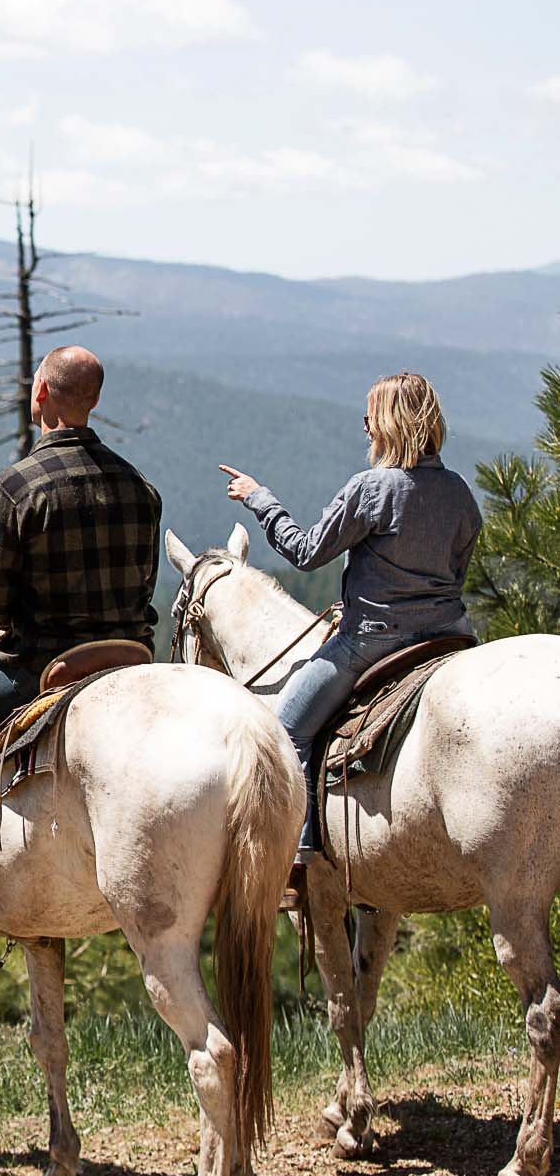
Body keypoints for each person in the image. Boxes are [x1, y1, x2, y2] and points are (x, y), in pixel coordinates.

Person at [0, 345, 162, 959]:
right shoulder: (139, 487)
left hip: (40, 665)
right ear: (92, 401)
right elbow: (146, 584)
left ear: (41, 394)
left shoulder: (16, 488)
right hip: (127, 657)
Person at [219, 371, 481, 902]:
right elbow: (454, 572)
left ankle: (297, 856)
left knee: (283, 731)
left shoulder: (370, 489)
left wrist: (259, 498)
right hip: (450, 636)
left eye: (369, 417)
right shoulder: (460, 493)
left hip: (375, 640)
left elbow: (306, 551)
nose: (364, 427)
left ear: (386, 423)